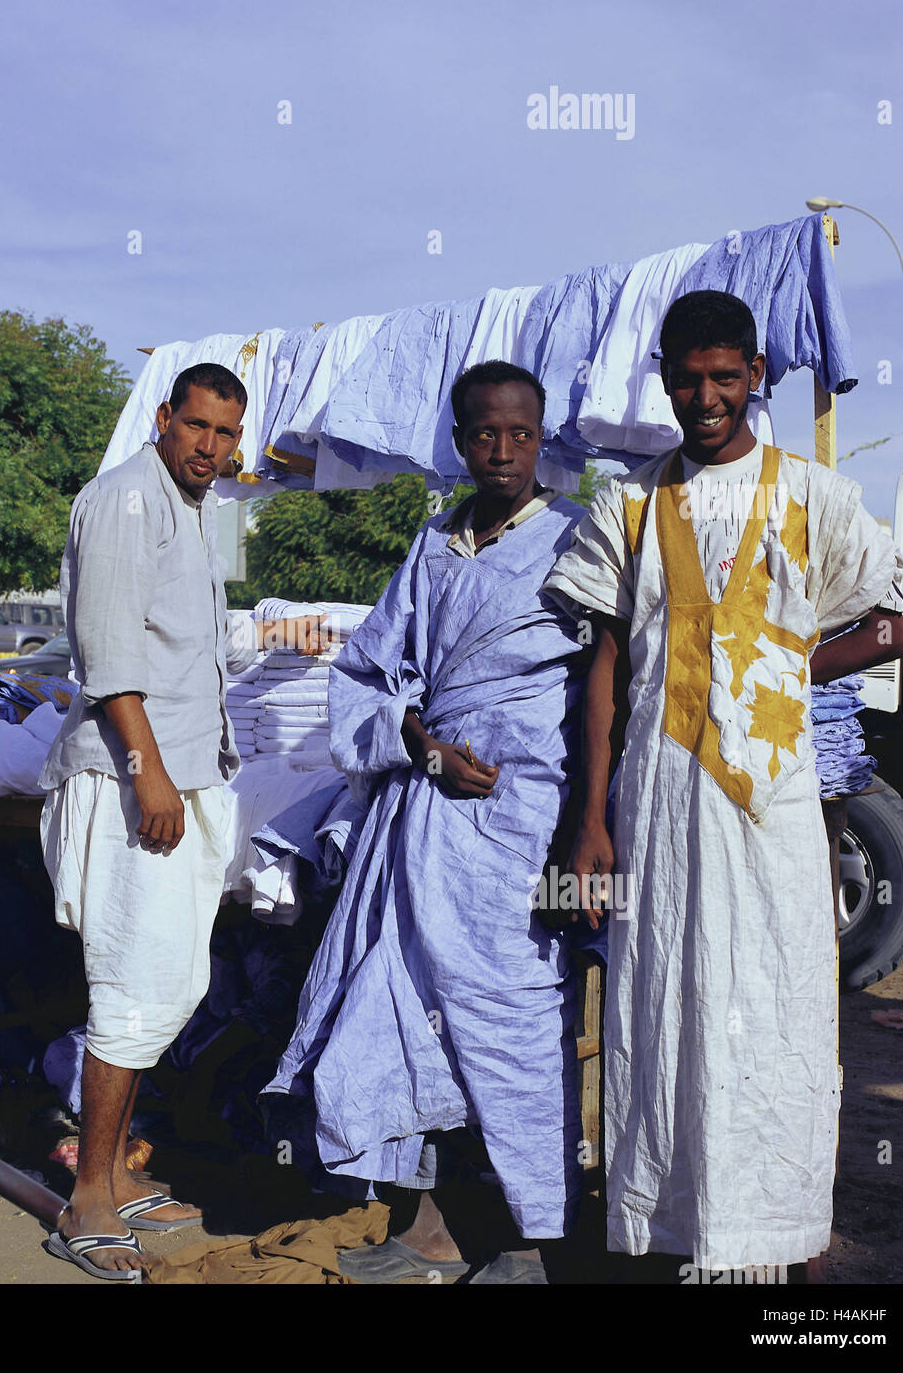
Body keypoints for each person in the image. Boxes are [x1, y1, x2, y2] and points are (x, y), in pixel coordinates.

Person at [542, 290, 903, 1277]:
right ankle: (672, 1230)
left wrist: (785, 666)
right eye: (685, 377)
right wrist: (590, 819)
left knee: (777, 999)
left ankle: (769, 1240)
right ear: (663, 378)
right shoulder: (626, 503)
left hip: (773, 807)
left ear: (755, 376)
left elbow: (890, 626)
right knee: (662, 1000)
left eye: (723, 376)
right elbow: (604, 669)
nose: (704, 396)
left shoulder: (816, 495)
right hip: (656, 799)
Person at [263, 360, 591, 1282]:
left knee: (517, 1029)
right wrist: (420, 741)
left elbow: (608, 679)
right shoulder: (434, 543)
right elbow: (366, 672)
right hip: (424, 825)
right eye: (483, 434)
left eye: (520, 434)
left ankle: (531, 1244)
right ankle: (435, 1233)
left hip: (524, 823)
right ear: (458, 440)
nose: (502, 451)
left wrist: (583, 833)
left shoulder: (577, 541)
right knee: (417, 1014)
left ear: (543, 439)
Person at [38, 363, 325, 1280]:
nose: (212, 448)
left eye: (227, 436)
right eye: (198, 428)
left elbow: (192, 641)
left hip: (185, 774)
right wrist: (149, 775)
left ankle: (115, 1171)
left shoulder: (197, 510)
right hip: (137, 782)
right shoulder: (122, 502)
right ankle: (87, 1199)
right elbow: (109, 658)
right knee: (131, 990)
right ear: (164, 419)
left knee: (163, 985)